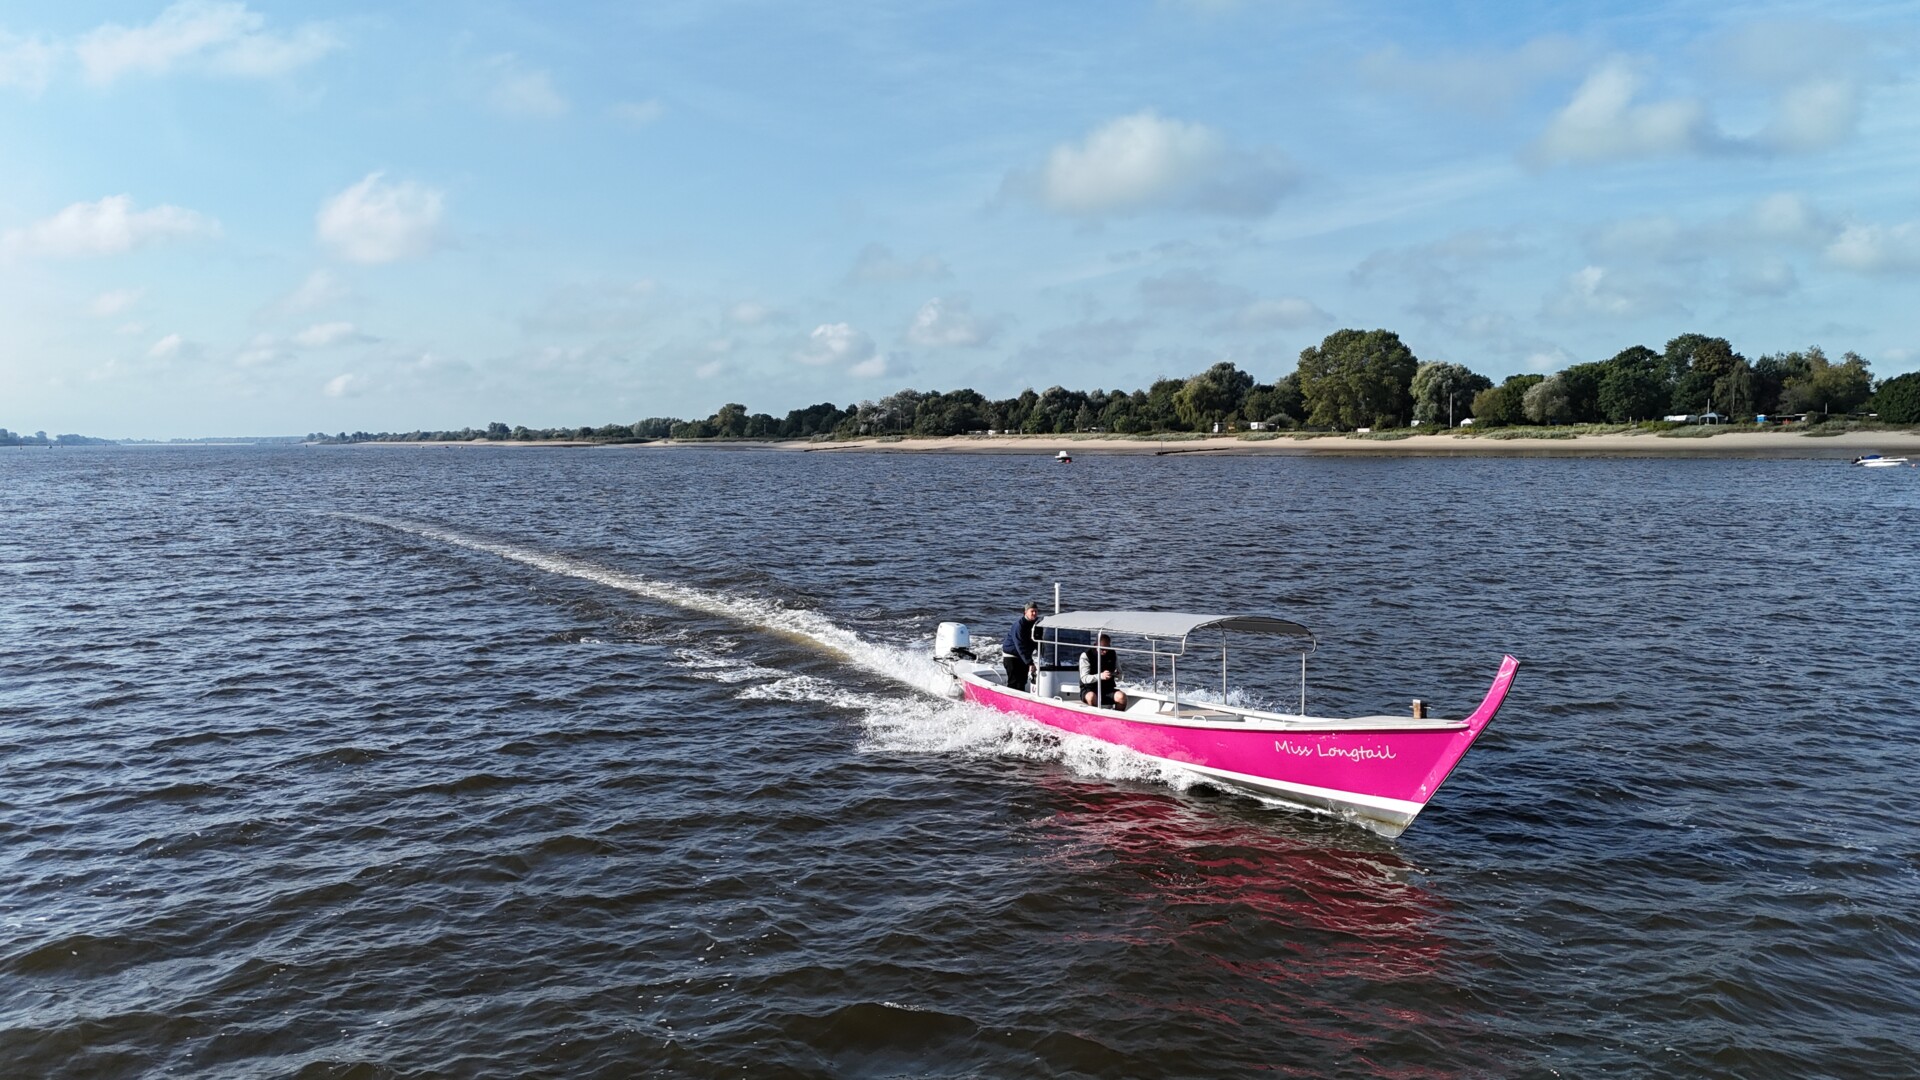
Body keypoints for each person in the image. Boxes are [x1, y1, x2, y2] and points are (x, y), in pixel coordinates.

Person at [1079, 633, 1127, 710]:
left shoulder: (1112, 654)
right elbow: (1084, 678)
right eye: (1102, 649)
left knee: (1122, 697)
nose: (1105, 651)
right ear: (1096, 644)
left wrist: (1115, 674)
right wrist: (1101, 676)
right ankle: (1094, 718)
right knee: (1091, 697)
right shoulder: (1086, 655)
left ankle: (1117, 718)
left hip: (1107, 688)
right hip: (1090, 689)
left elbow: (1120, 675)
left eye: (1107, 648)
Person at [1001, 602, 1040, 694]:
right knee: (1014, 682)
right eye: (1032, 611)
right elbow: (1020, 645)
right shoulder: (1019, 625)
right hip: (1011, 656)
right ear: (1025, 612)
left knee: (1022, 681)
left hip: (1023, 657)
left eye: (1036, 611)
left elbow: (1037, 641)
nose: (1034, 613)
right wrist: (1030, 662)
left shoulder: (1037, 624)